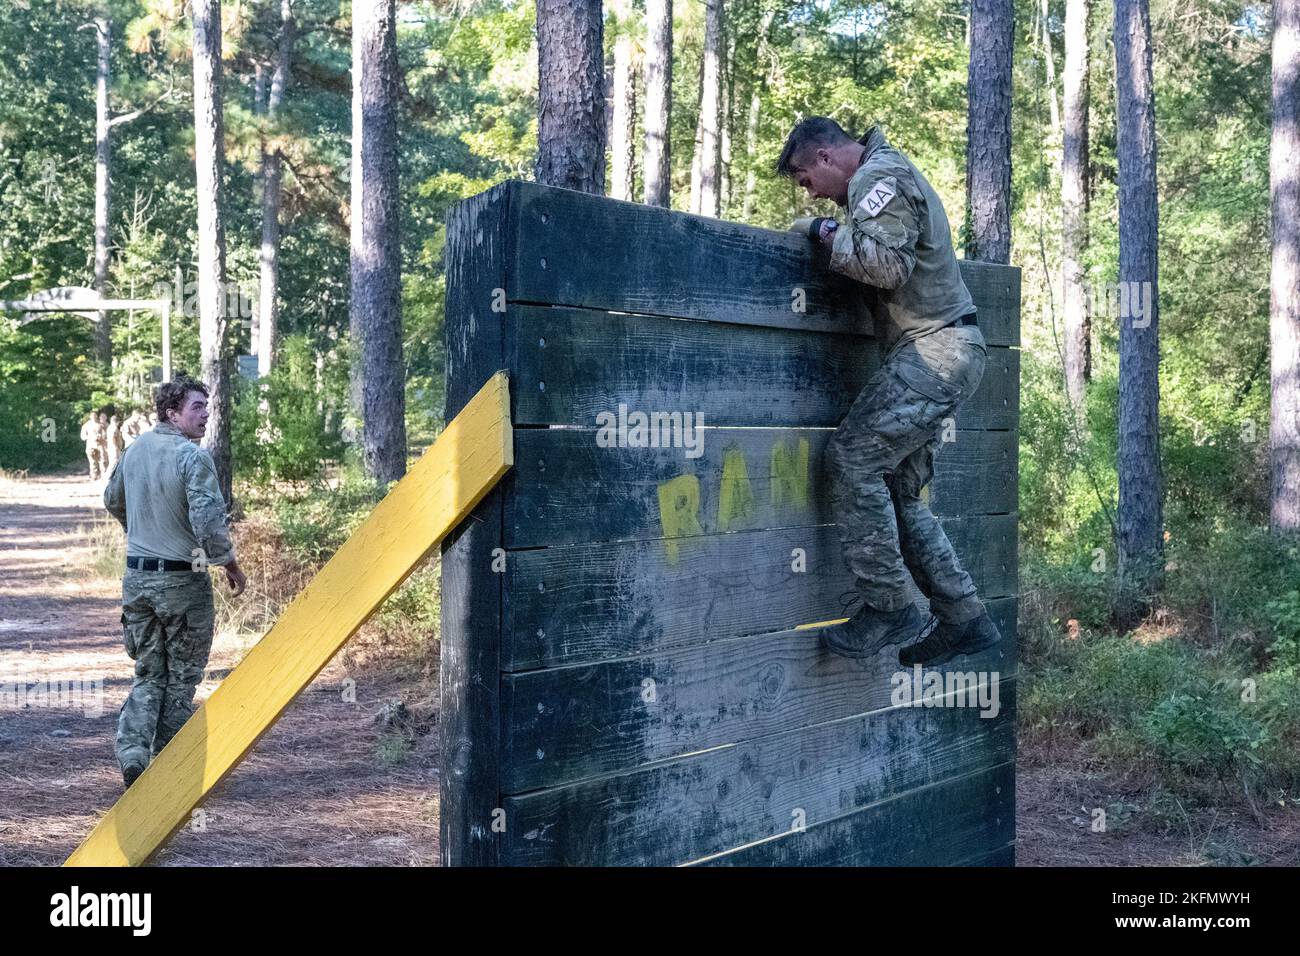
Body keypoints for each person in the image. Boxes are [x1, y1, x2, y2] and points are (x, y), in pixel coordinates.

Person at [775, 117, 1001, 666]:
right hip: (943, 350)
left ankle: (889, 604)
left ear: (827, 158)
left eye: (807, 180)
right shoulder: (882, 176)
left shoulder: (880, 177)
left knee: (852, 461)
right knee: (899, 491)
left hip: (934, 352)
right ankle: (964, 616)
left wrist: (820, 232)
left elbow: (886, 264)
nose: (813, 194)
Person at [103, 374, 247, 788]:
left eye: (207, 406)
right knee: (181, 678)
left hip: (137, 580)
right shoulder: (191, 456)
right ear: (172, 413)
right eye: (197, 407)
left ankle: (132, 754)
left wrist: (142, 529)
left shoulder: (134, 450)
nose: (205, 414)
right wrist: (229, 563)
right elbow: (207, 519)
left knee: (149, 672)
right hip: (182, 582)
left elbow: (112, 500)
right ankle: (170, 771)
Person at [80, 412, 104, 480]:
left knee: (101, 461)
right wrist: (91, 437)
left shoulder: (100, 425)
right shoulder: (86, 425)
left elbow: (104, 434)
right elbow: (82, 436)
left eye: (95, 416)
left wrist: (100, 436)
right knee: (93, 462)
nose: (94, 417)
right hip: (90, 446)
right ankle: (94, 476)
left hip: (100, 445)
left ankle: (102, 475)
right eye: (93, 416)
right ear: (90, 417)